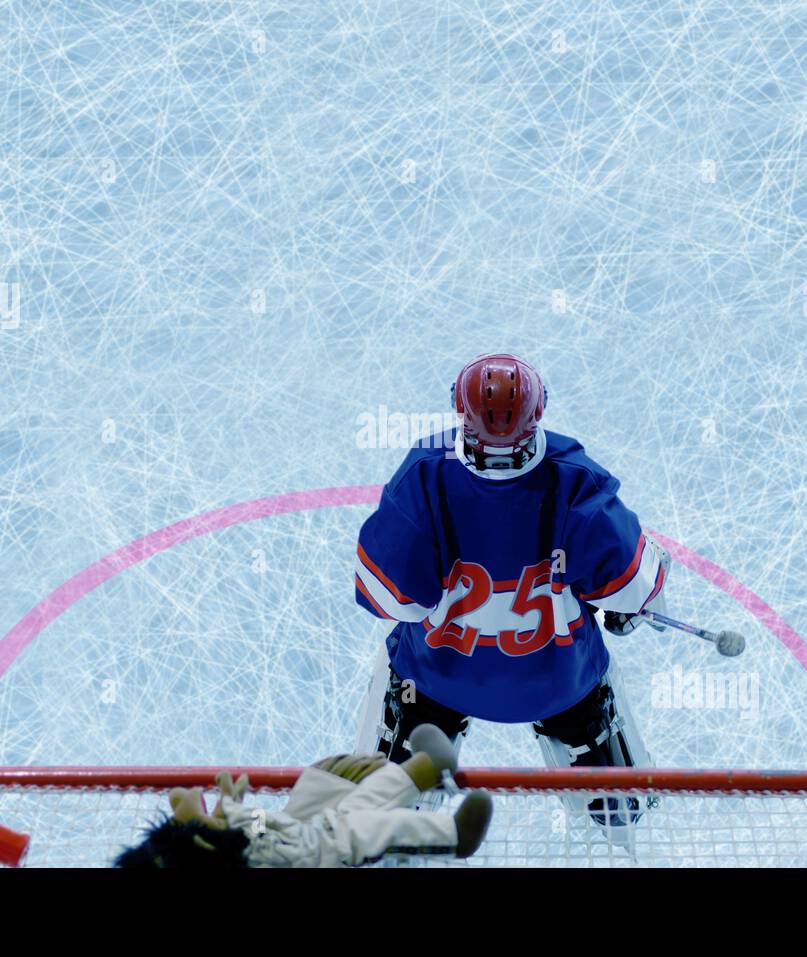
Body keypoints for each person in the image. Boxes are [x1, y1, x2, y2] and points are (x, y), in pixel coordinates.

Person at [352, 353, 670, 824]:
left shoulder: (424, 473)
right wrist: (629, 608)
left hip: (440, 680)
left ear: (459, 412)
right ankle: (614, 819)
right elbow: (637, 591)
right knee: (622, 820)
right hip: (557, 685)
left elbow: (390, 599)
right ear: (539, 410)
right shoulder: (576, 476)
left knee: (382, 823)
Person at [114, 725, 492, 868]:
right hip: (324, 852)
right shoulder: (256, 857)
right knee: (364, 825)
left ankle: (427, 766)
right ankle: (453, 837)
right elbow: (288, 844)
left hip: (312, 833)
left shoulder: (236, 838)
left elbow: (260, 825)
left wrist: (234, 809)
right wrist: (241, 818)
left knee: (349, 796)